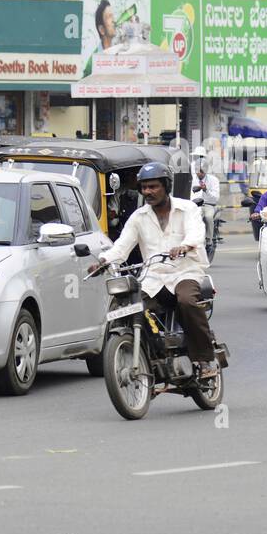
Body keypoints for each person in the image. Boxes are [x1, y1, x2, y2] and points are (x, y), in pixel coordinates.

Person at [87, 161, 221, 378]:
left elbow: (196, 233)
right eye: (145, 187)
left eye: (153, 186)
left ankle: (205, 359)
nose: (148, 191)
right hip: (154, 277)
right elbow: (121, 247)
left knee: (187, 301)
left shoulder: (187, 209)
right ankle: (150, 354)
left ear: (166, 186)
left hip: (185, 272)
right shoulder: (139, 217)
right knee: (129, 306)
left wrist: (185, 246)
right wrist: (103, 261)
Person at [189, 147, 220, 233]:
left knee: (208, 217)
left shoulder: (212, 179)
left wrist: (206, 190)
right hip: (194, 205)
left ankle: (209, 241)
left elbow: (215, 198)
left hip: (208, 204)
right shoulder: (192, 177)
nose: (198, 172)